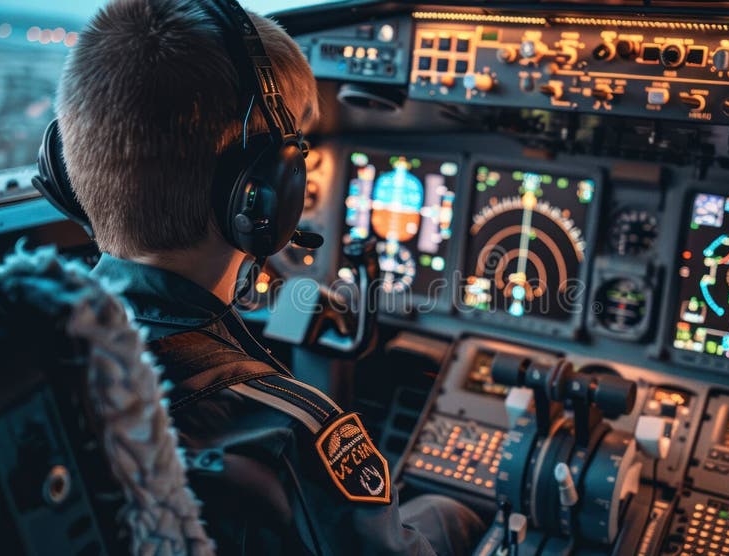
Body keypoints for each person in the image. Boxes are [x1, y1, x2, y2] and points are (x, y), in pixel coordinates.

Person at [54, 0, 484, 554]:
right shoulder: (287, 433)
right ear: (265, 194)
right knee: (450, 515)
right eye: (297, 162)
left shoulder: (14, 347)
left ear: (67, 173)